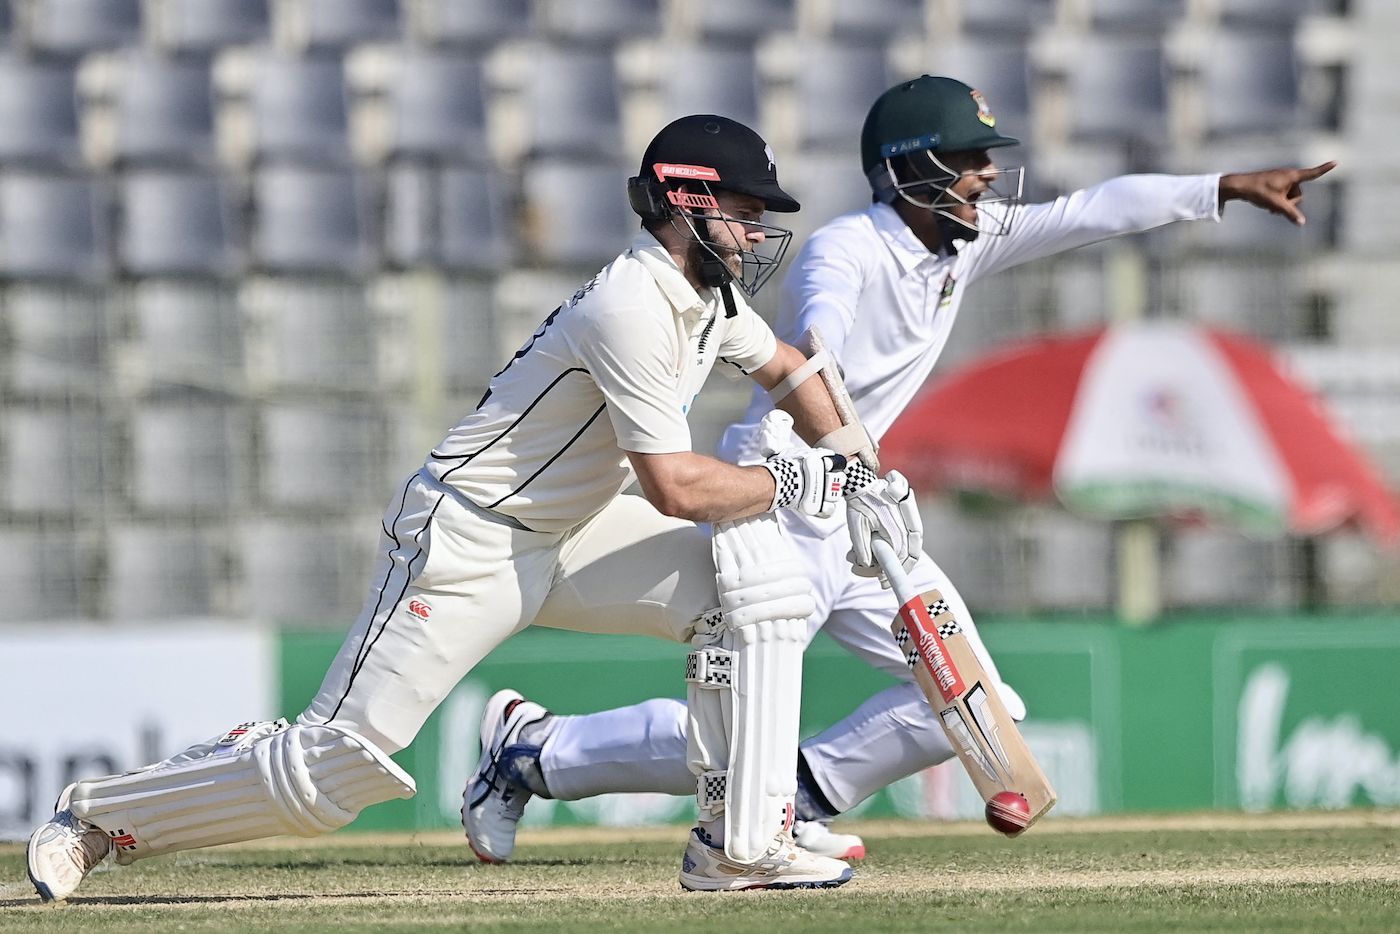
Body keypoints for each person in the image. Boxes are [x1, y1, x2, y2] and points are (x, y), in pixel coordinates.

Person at [26, 113, 925, 900]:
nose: (758, 227)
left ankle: (744, 840)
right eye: (744, 206)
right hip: (468, 540)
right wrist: (804, 482)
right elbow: (677, 488)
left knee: (756, 584)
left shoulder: (707, 298)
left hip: (575, 529)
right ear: (685, 202)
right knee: (329, 777)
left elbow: (791, 368)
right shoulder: (633, 306)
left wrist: (861, 464)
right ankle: (95, 822)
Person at [462, 75, 1337, 862]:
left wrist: (1220, 187)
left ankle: (798, 796)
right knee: (737, 730)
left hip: (861, 507)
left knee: (975, 706)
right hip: (782, 494)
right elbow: (817, 338)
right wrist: (842, 429)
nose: (988, 178)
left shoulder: (968, 242)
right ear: (912, 168)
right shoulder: (848, 248)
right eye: (969, 161)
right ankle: (532, 753)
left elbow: (1091, 211)